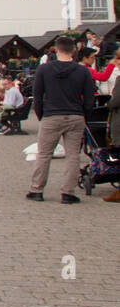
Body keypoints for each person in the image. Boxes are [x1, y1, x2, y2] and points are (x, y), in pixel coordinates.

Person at [27, 35, 96, 204]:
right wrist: (84, 115)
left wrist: (41, 114)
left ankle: (36, 190)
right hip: (75, 115)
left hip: (52, 115)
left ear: (56, 49)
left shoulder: (44, 69)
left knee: (44, 154)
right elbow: (89, 98)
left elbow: (37, 95)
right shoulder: (83, 71)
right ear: (74, 50)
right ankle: (68, 192)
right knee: (73, 155)